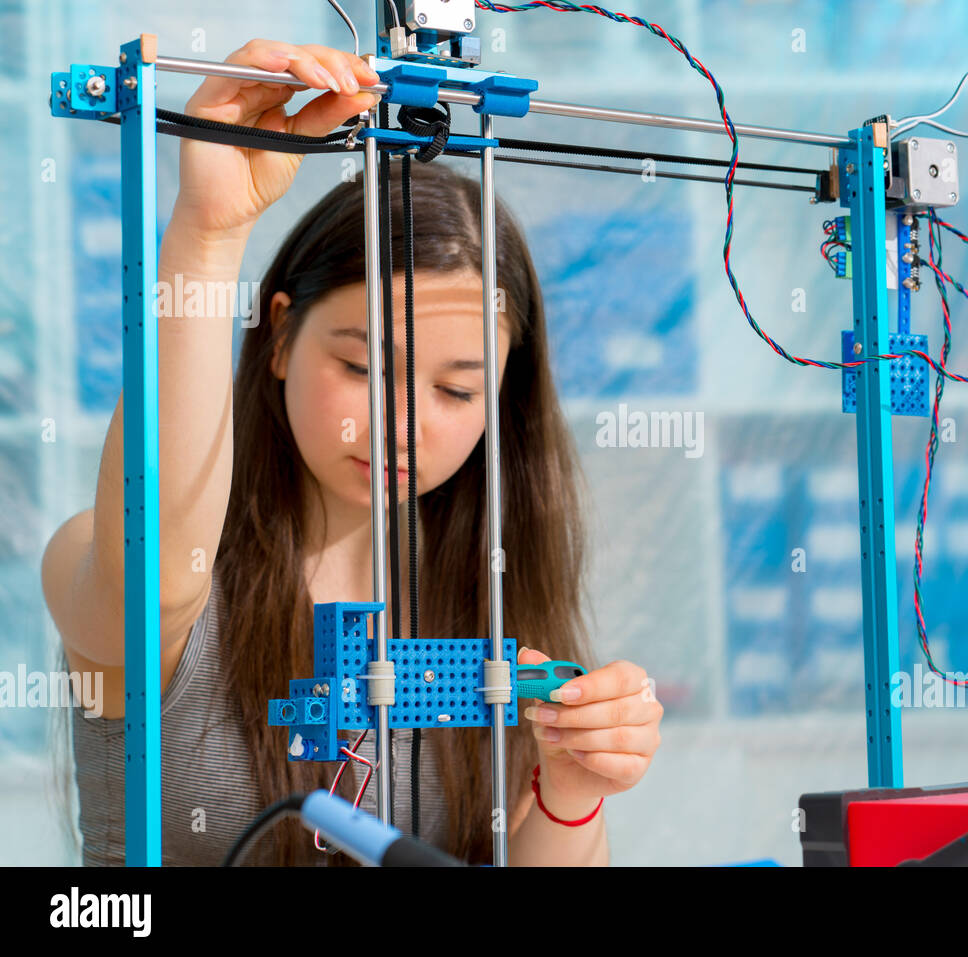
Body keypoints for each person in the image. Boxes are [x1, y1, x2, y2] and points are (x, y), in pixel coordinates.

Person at [40, 38, 662, 866]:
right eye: (364, 366)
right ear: (280, 339)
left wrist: (573, 787)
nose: (405, 424)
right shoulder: (102, 561)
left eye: (457, 392)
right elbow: (159, 571)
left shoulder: (490, 598)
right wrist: (207, 233)